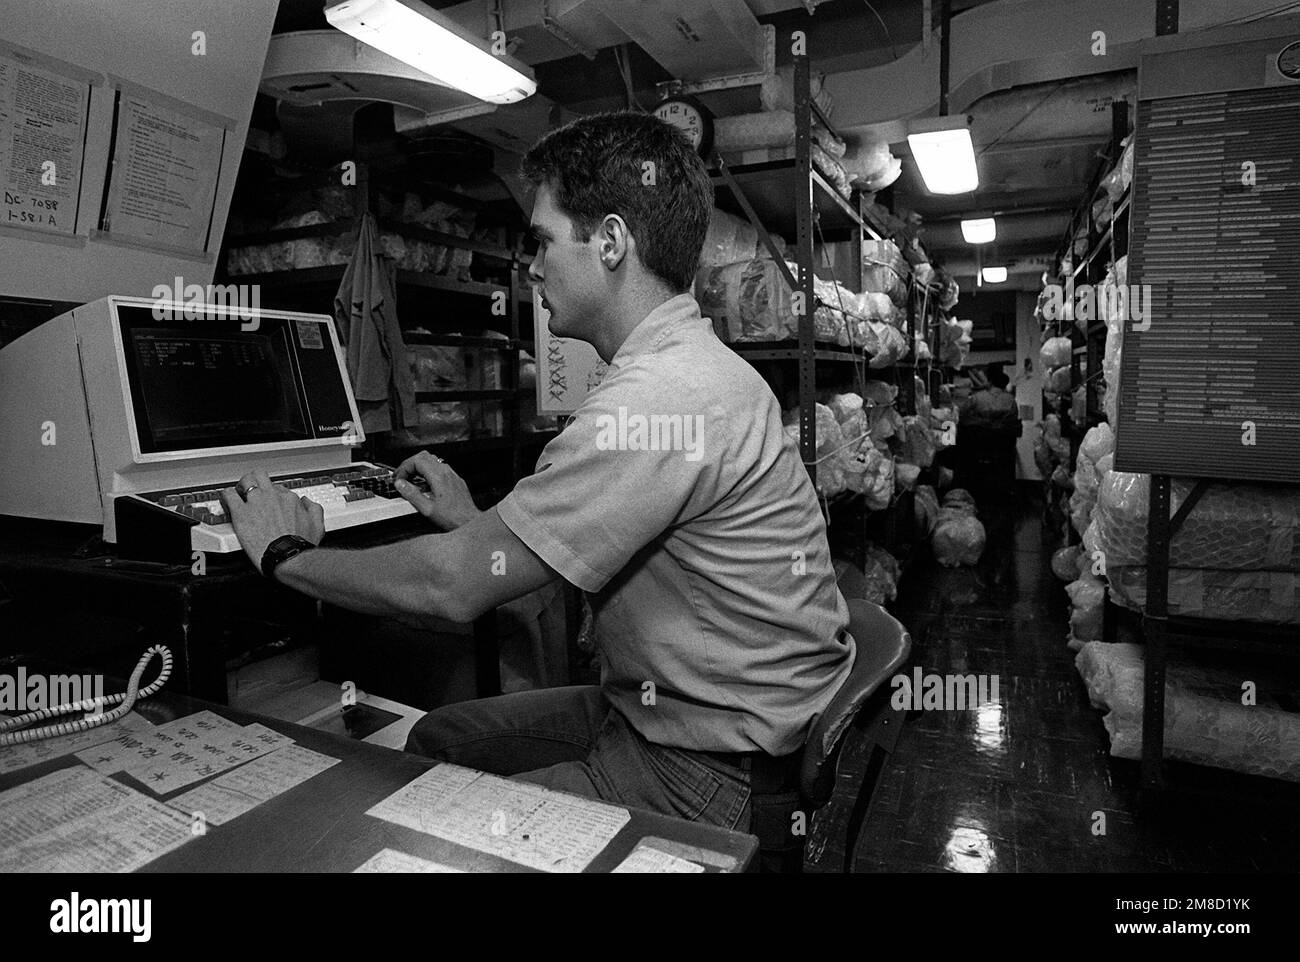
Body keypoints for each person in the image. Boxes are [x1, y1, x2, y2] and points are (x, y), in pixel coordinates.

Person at [219, 111, 855, 833]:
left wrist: (287, 556)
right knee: (435, 740)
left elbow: (449, 586)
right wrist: (474, 524)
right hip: (663, 714)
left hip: (708, 770)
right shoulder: (692, 370)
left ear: (611, 242)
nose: (529, 265)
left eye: (543, 241)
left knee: (417, 825)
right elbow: (597, 537)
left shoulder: (657, 398)